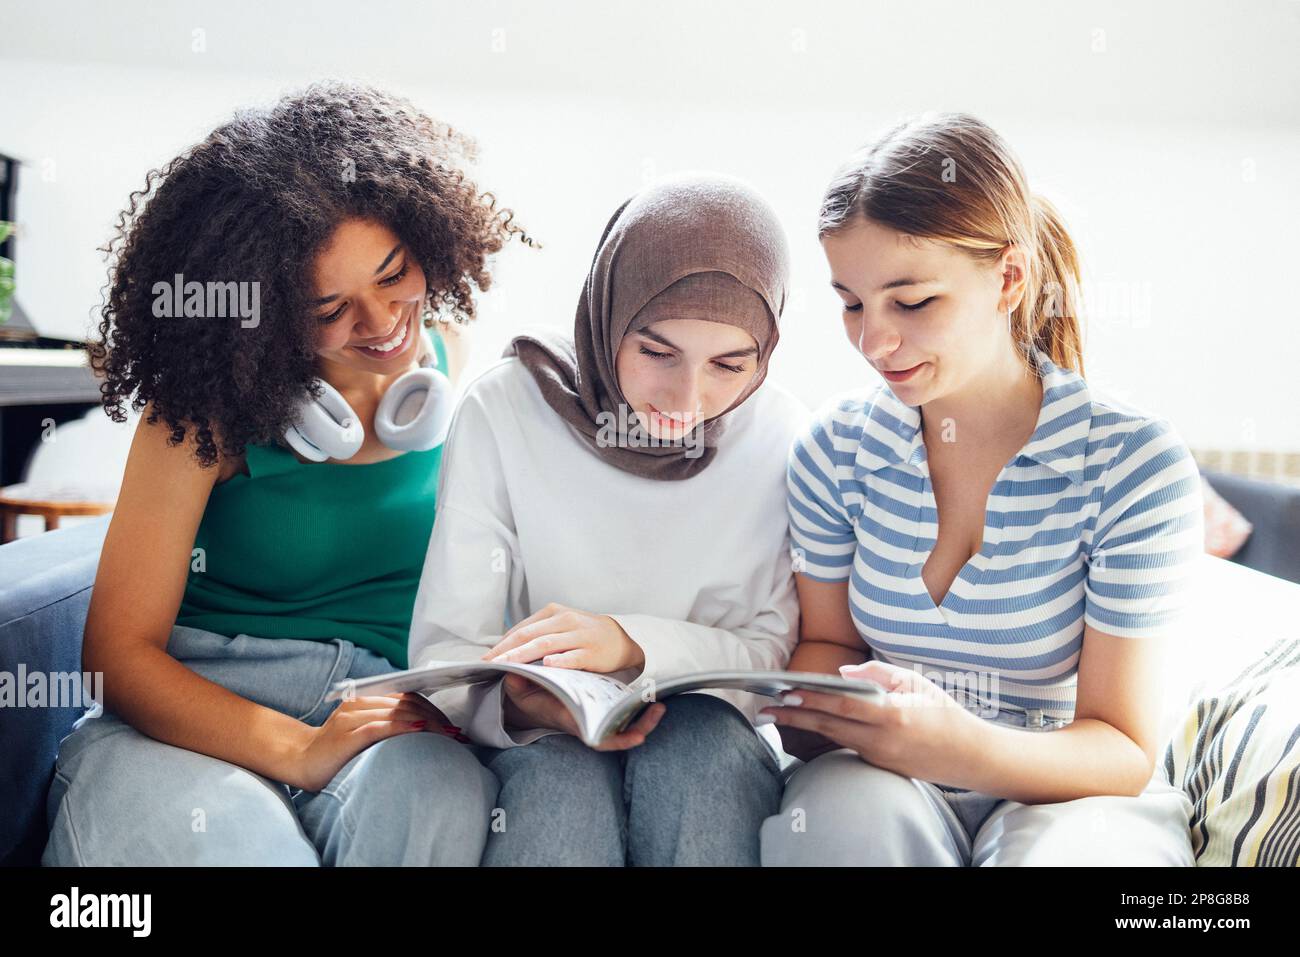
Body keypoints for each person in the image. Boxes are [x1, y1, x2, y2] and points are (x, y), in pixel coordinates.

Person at [42, 81, 532, 866]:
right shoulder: (201, 409)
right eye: (328, 309)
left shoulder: (451, 357)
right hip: (195, 712)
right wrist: (298, 748)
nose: (382, 323)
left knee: (441, 795)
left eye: (393, 274)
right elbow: (116, 655)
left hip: (379, 710)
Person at [760, 113, 1204, 866]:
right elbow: (829, 644)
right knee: (842, 823)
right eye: (852, 303)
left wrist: (958, 745)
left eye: (912, 302)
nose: (874, 342)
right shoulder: (834, 449)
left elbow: (1122, 746)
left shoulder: (1131, 463)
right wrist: (810, 709)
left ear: (1009, 277)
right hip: (883, 774)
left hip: (1068, 787)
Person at [408, 173, 808, 866]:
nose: (686, 397)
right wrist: (527, 708)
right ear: (607, 314)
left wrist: (628, 643)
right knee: (561, 782)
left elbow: (772, 655)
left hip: (708, 737)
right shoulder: (505, 408)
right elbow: (446, 656)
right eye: (657, 352)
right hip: (540, 738)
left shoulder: (783, 436)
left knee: (702, 752)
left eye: (729, 364)